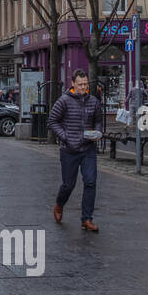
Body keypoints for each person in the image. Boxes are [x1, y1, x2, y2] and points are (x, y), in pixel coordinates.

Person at [47, 69, 104, 232]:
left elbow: (99, 121)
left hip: (88, 148)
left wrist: (97, 132)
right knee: (68, 185)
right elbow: (52, 121)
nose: (83, 87)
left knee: (90, 182)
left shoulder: (93, 101)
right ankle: (59, 204)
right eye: (80, 85)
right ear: (73, 84)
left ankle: (86, 219)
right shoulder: (64, 101)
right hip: (69, 149)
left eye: (86, 84)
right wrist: (65, 137)